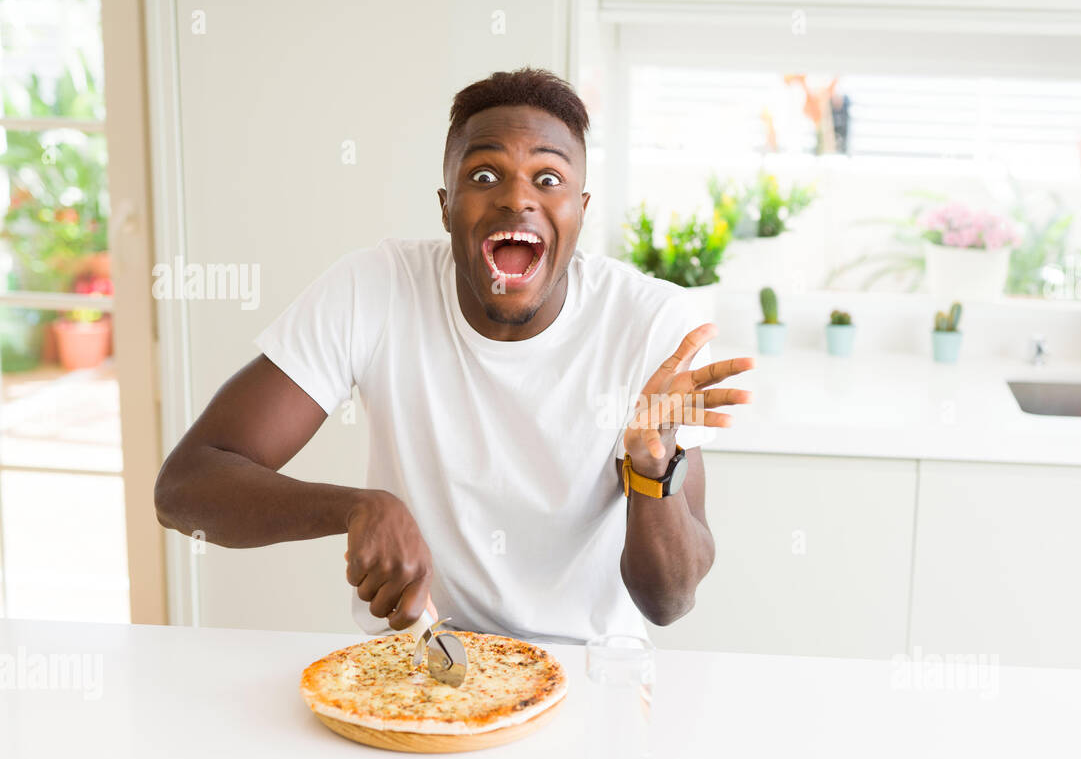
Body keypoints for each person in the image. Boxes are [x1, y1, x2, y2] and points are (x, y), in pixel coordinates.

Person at [153, 67, 754, 644]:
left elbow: (668, 603)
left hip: (585, 674)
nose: (517, 199)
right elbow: (186, 486)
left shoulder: (652, 328)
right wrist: (355, 508)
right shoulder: (374, 288)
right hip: (419, 663)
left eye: (549, 178)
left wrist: (652, 475)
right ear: (446, 205)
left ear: (581, 210)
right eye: (485, 176)